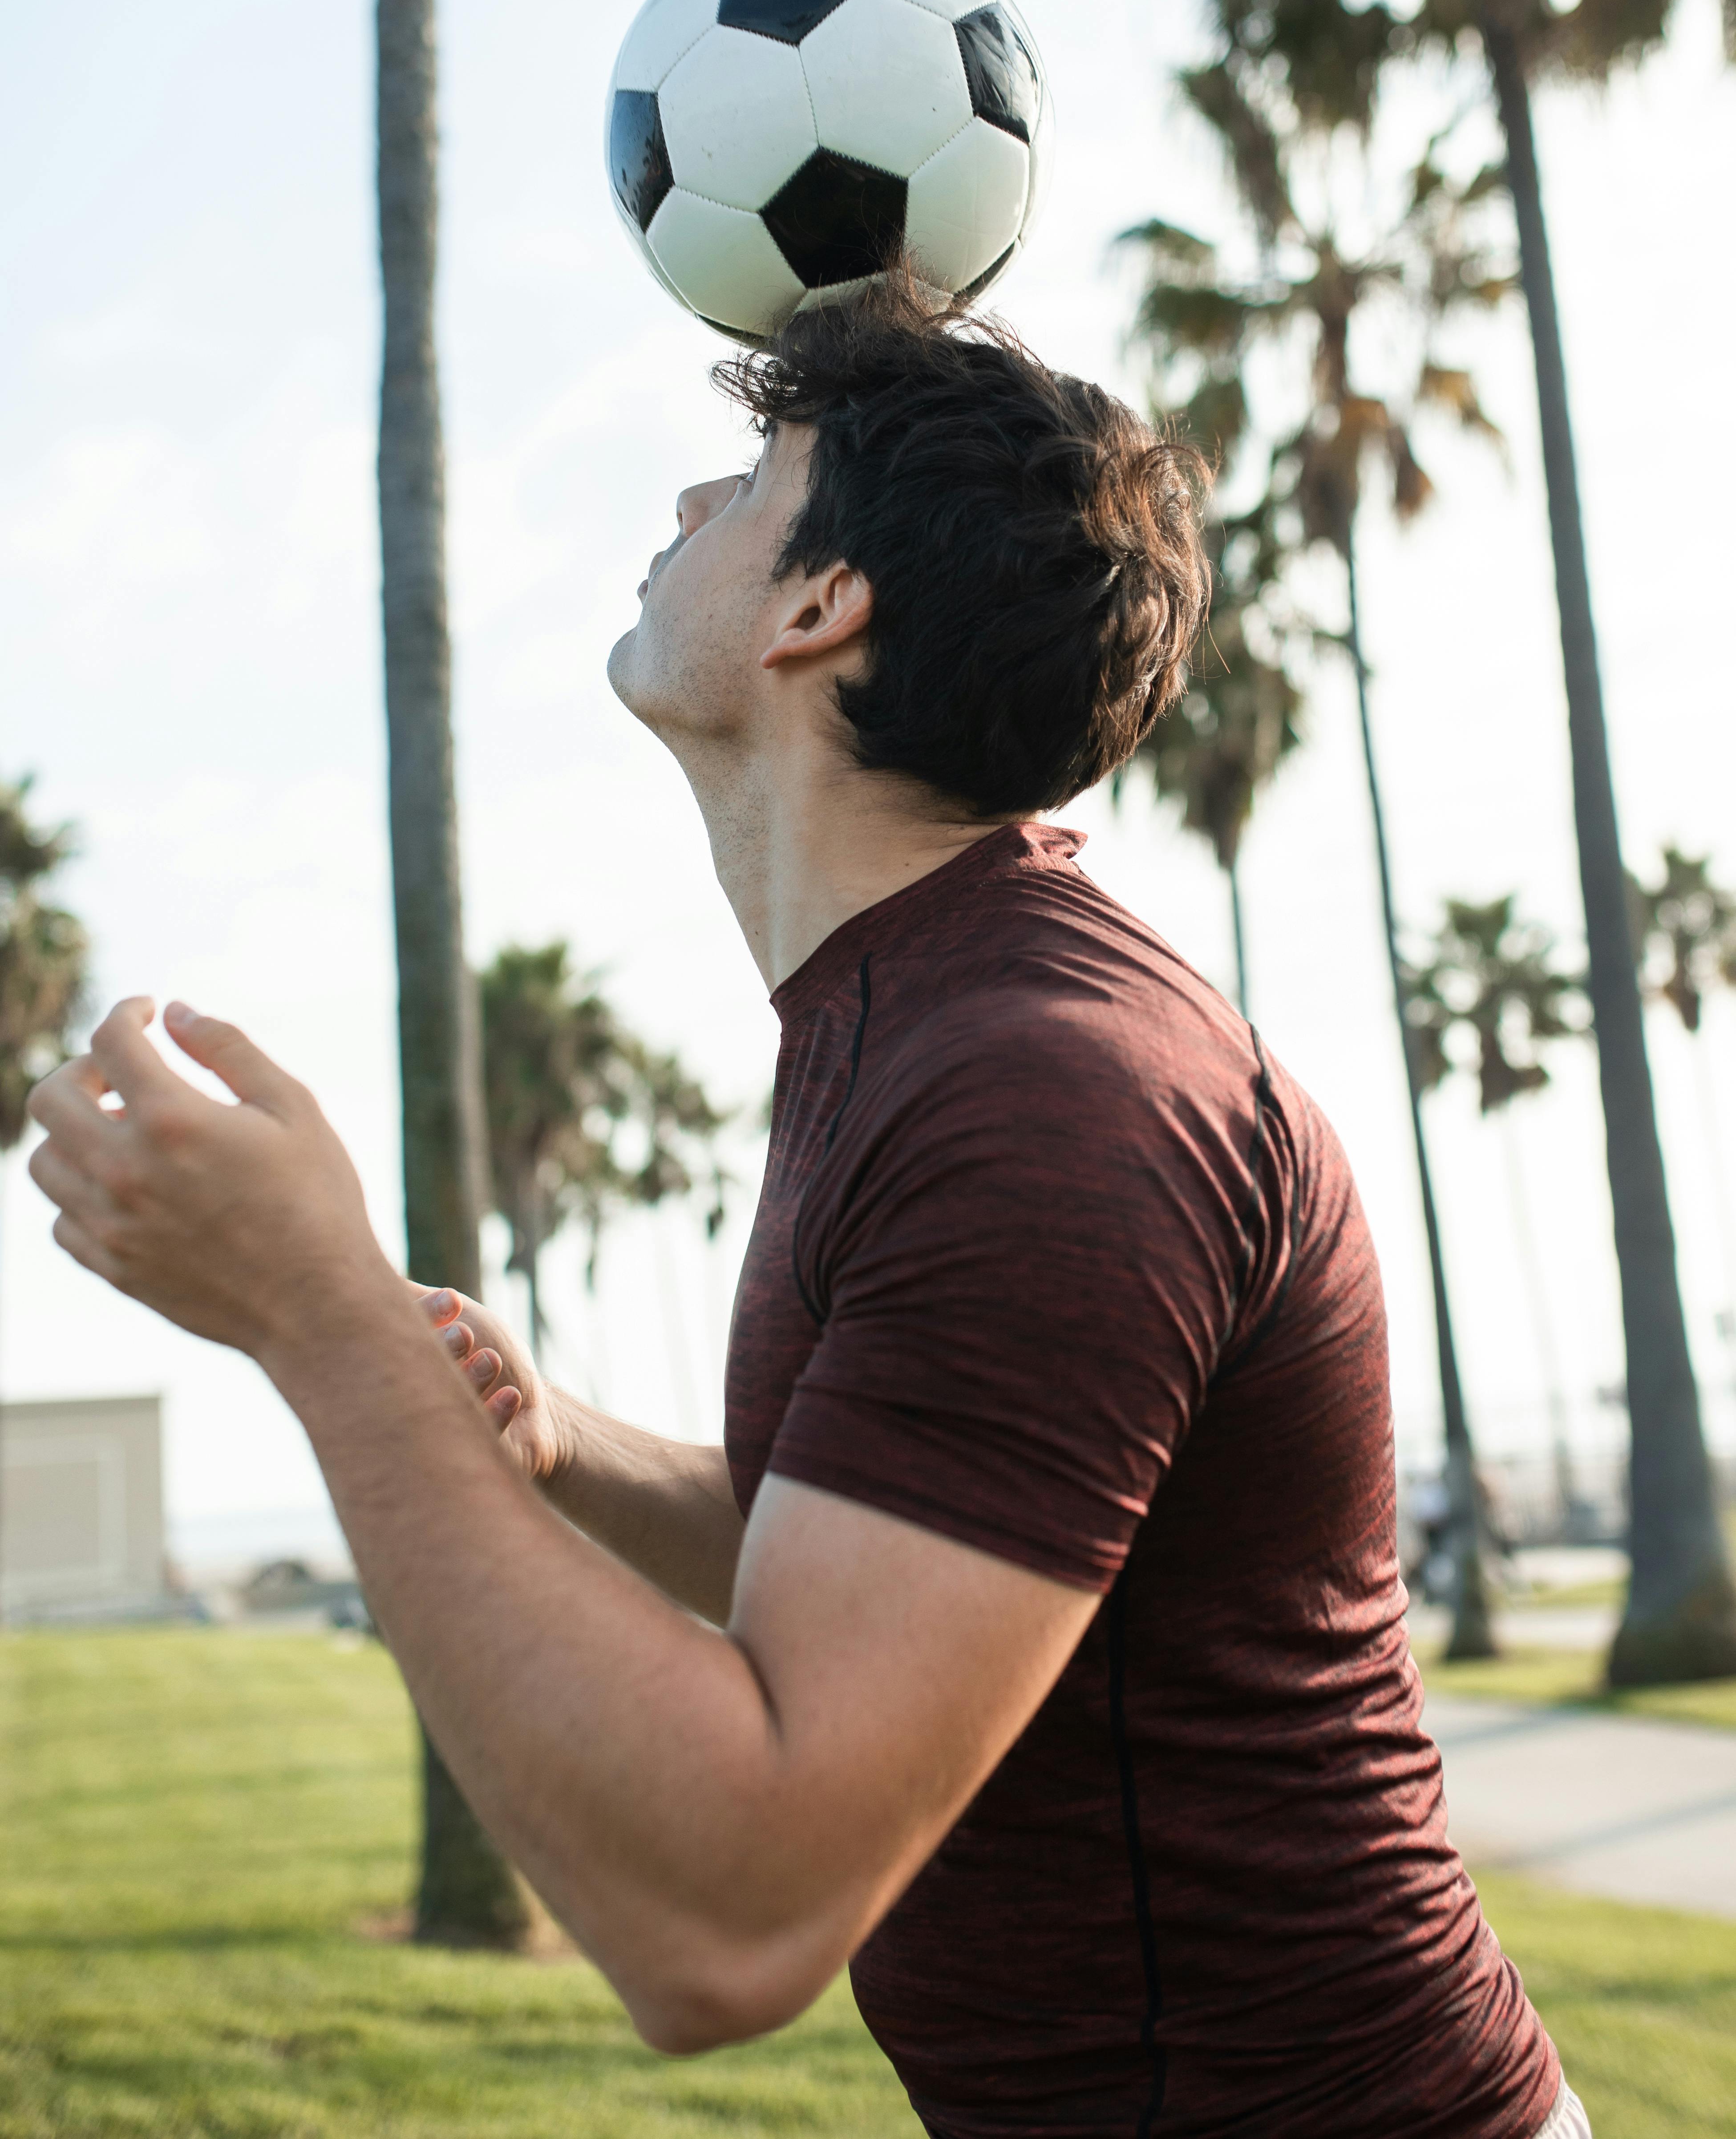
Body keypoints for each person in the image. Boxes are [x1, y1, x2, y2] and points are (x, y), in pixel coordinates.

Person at [28, 282, 1587, 2139]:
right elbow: (893, 1560)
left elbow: (731, 1909)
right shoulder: (923, 1015)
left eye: (753, 477)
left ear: (816, 605)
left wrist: (321, 1317)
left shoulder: (1046, 1090)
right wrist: (554, 1446)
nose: (684, 506)